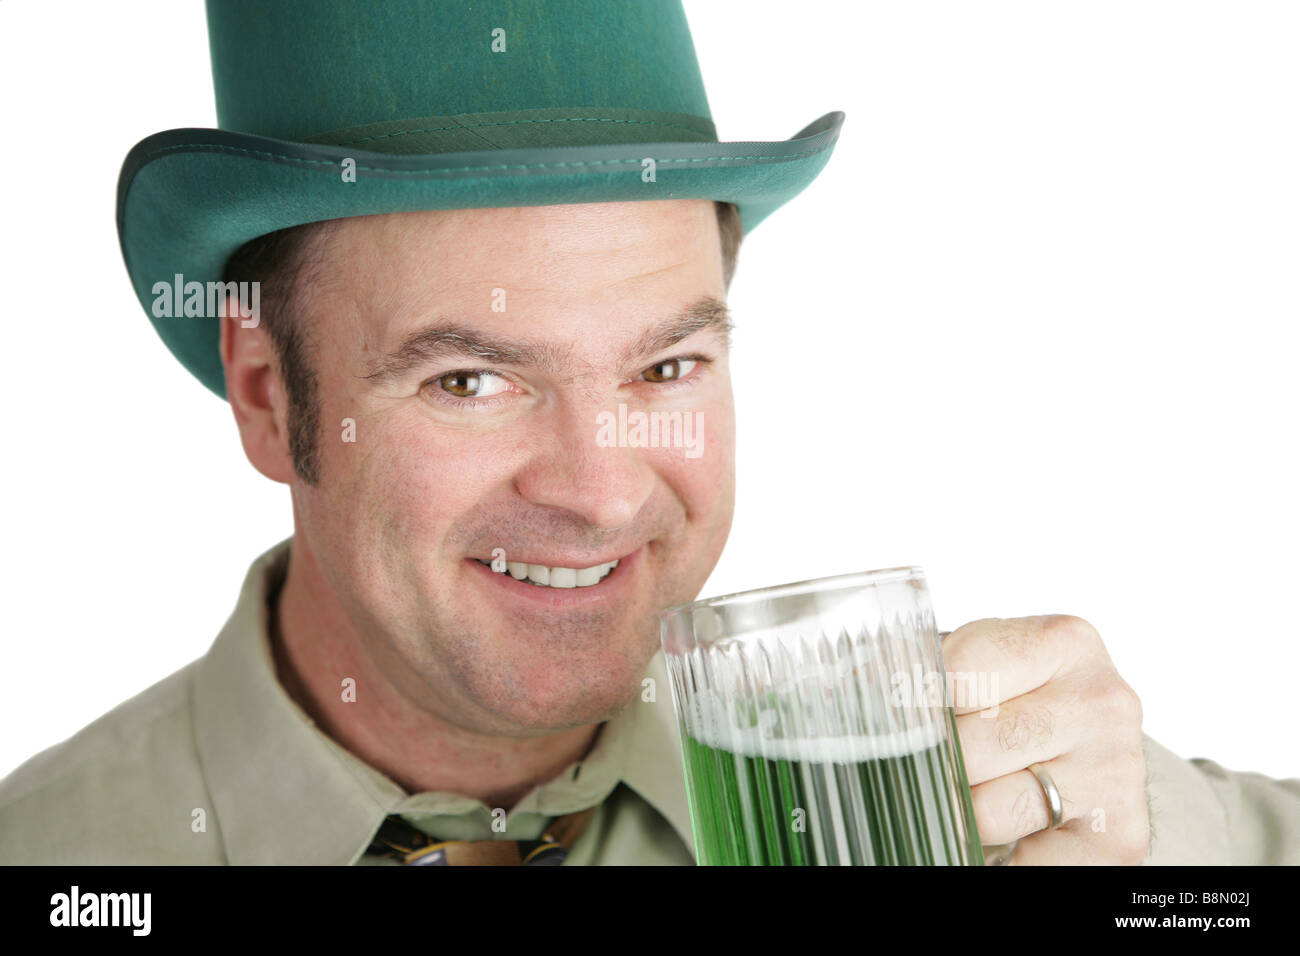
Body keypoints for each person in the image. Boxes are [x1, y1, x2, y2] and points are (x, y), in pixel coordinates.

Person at [2, 0, 1296, 866]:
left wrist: (1158, 855)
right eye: (470, 381)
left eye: (668, 361)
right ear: (270, 393)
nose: (601, 489)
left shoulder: (896, 803)